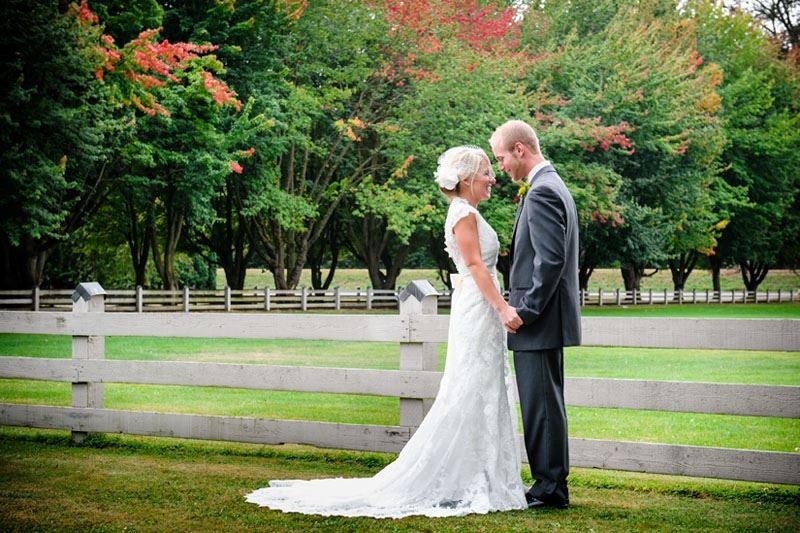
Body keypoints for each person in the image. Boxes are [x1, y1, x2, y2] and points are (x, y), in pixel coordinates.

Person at [244, 146, 527, 518]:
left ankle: (485, 474)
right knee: (470, 387)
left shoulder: (466, 212)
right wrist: (503, 307)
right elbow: (475, 265)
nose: (493, 179)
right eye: (487, 173)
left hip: (477, 307)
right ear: (468, 178)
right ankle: (471, 476)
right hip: (479, 306)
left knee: (482, 387)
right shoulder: (464, 214)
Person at [489, 120, 581, 510]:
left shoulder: (543, 191)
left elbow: (551, 260)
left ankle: (550, 486)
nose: (501, 167)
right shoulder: (549, 186)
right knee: (543, 403)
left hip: (538, 320)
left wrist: (524, 312)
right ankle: (550, 481)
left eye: (502, 158)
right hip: (545, 319)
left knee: (541, 405)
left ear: (520, 150)